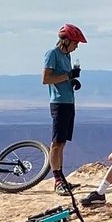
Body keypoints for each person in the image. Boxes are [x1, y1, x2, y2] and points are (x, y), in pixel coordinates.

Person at [41, 23, 86, 193]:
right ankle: (57, 180)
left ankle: (61, 177)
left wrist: (72, 81)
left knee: (62, 143)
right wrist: (68, 75)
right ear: (66, 40)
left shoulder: (66, 56)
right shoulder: (52, 54)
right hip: (59, 103)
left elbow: (61, 78)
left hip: (69, 101)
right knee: (56, 143)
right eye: (75, 43)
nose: (77, 47)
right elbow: (46, 79)